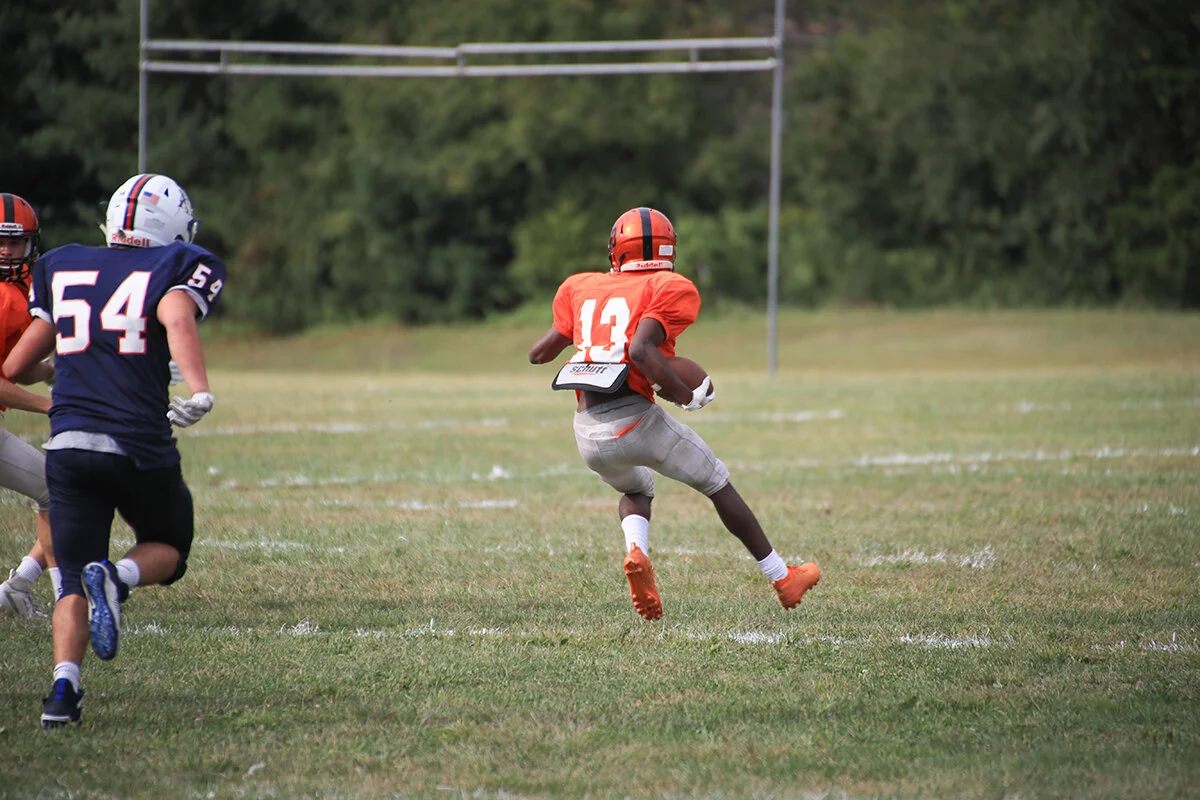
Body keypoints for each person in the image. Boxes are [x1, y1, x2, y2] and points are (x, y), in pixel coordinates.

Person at [4, 173, 226, 728]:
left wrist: (77, 358)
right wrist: (198, 388)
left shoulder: (66, 265)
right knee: (169, 545)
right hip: (134, 440)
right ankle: (121, 577)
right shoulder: (176, 266)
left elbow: (14, 367)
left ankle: (62, 692)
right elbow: (176, 318)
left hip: (69, 444)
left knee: (71, 578)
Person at [528, 206, 821, 621]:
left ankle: (636, 552)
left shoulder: (581, 286)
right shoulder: (668, 286)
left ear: (617, 249)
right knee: (717, 482)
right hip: (635, 421)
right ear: (667, 248)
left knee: (637, 490)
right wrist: (684, 395)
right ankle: (782, 578)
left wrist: (578, 340)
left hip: (588, 434)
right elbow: (640, 350)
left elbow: (538, 354)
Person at [0, 193, 58, 618]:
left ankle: (21, 586)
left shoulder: (18, 292)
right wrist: (49, 407)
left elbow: (13, 368)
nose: (6, 250)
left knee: (55, 490)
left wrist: (57, 368)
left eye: (14, 242)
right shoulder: (6, 298)